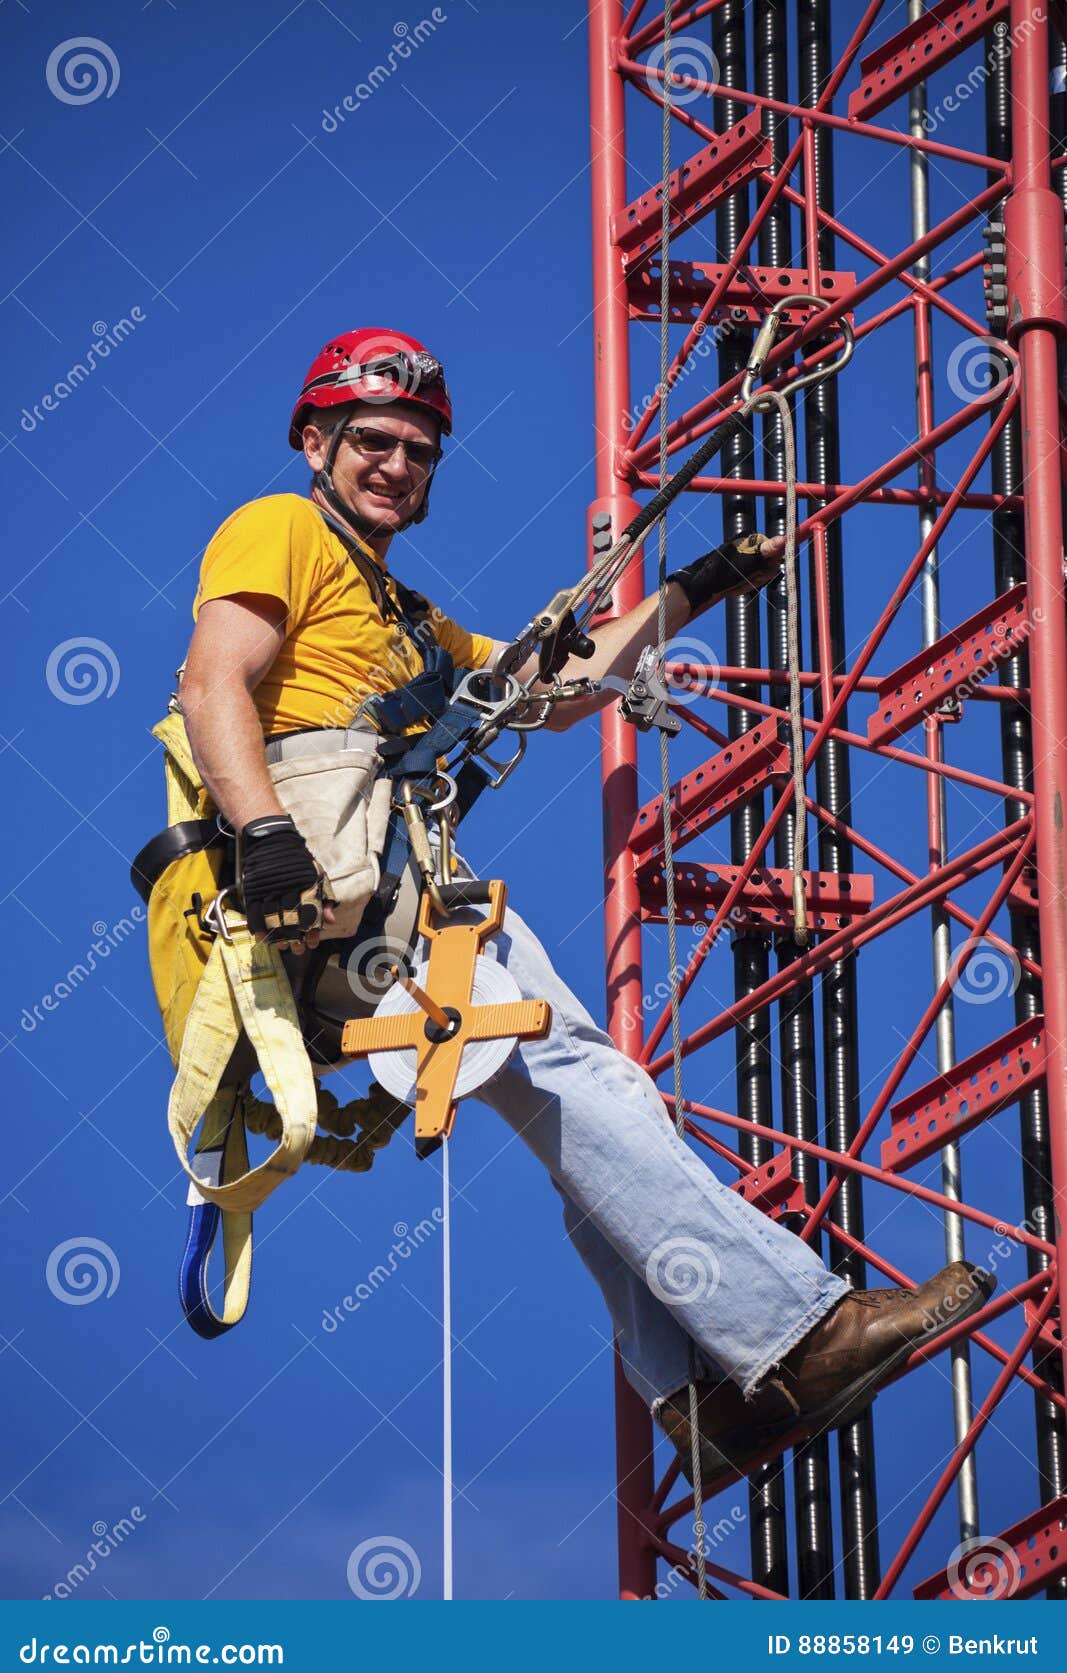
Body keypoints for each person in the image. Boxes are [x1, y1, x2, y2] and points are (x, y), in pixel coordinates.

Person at [178, 327, 993, 1486]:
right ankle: (796, 1336)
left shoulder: (402, 614)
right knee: (576, 1078)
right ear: (314, 440)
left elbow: (546, 691)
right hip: (343, 893)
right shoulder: (280, 528)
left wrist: (681, 591)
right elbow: (215, 680)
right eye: (371, 440)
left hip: (398, 892)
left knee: (588, 1104)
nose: (396, 465)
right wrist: (261, 834)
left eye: (418, 450)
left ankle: (704, 1402)